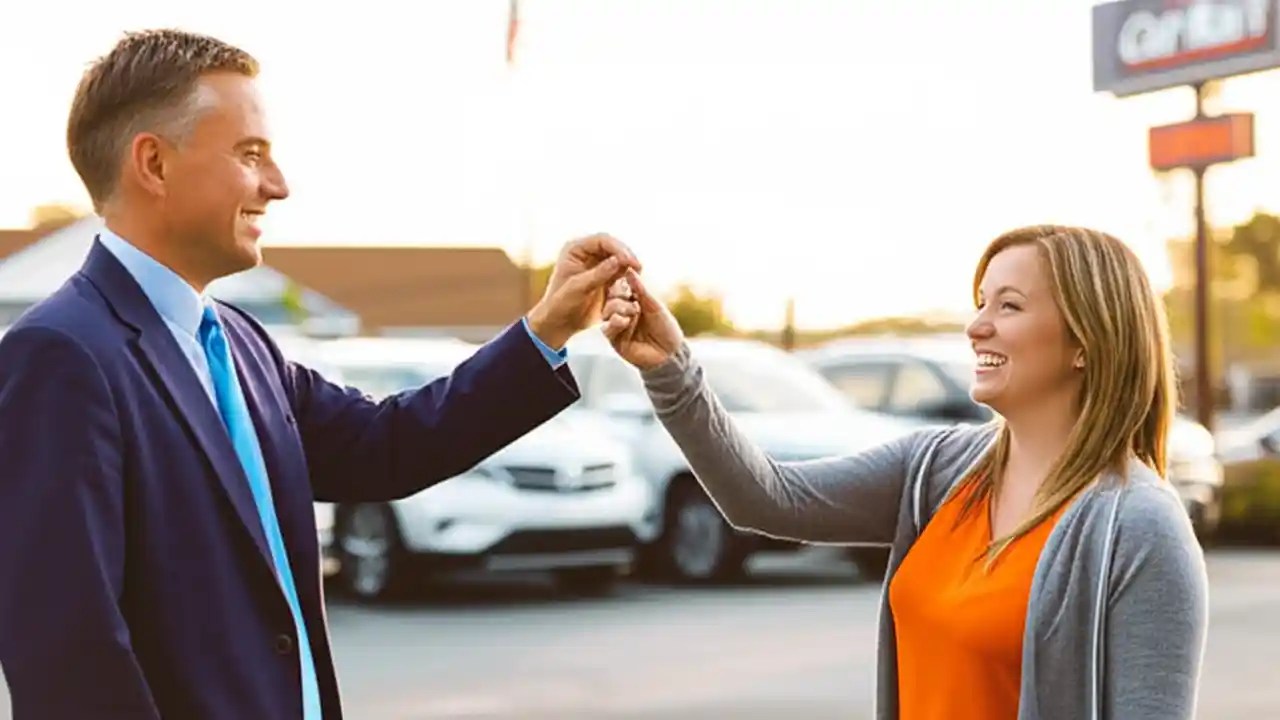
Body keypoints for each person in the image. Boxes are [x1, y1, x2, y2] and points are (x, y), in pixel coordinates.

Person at [0, 29, 639, 720]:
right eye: (251, 156)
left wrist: (546, 329)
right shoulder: (60, 355)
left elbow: (388, 445)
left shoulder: (244, 346)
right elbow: (68, 652)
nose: (278, 186)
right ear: (153, 163)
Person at [601, 225, 1209, 720]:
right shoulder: (937, 469)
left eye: (1010, 305)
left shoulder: (1140, 525)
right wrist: (670, 370)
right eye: (980, 303)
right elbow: (769, 500)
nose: (977, 326)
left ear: (1087, 342)